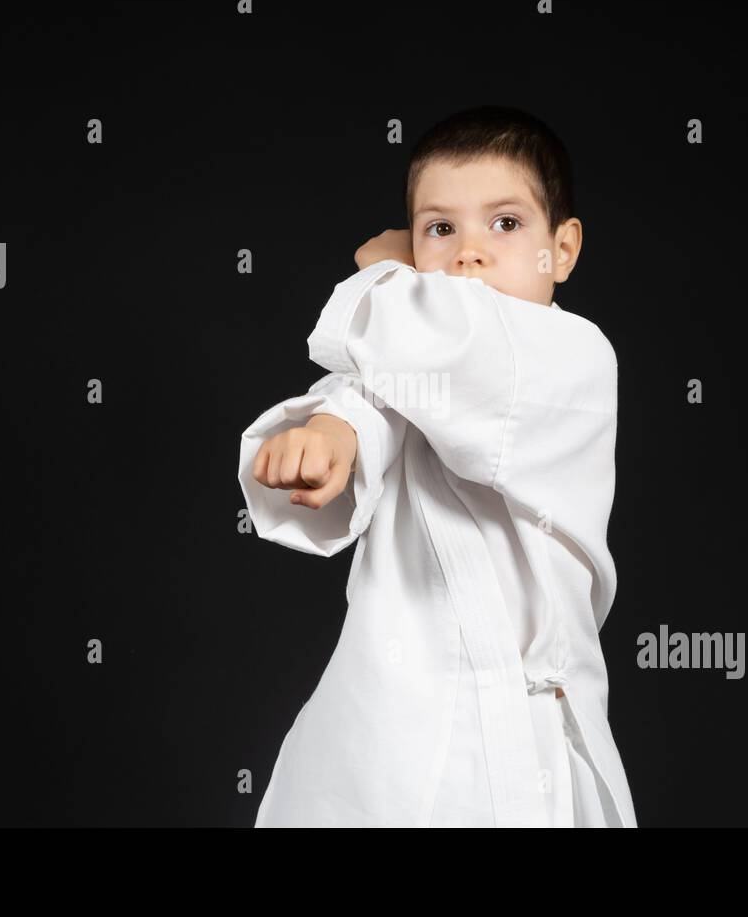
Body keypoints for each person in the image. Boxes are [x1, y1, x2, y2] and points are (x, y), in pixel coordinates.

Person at [237, 105, 637, 827]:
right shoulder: (408, 359)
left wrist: (383, 268)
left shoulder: (575, 358)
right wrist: (331, 433)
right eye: (440, 229)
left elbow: (451, 350)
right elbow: (373, 396)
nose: (469, 254)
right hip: (395, 735)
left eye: (506, 223)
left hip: (531, 742)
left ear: (562, 249)